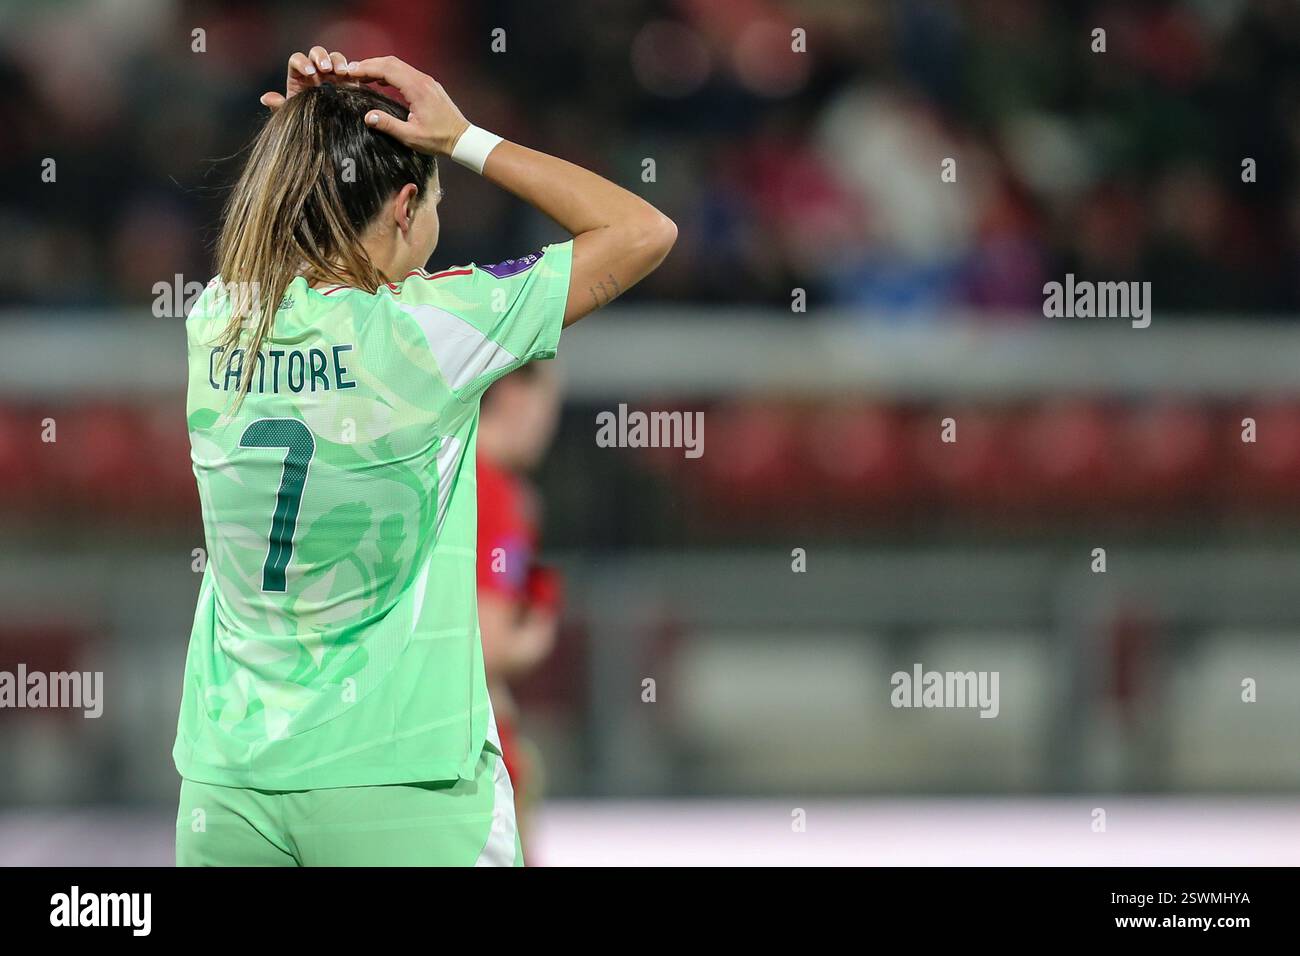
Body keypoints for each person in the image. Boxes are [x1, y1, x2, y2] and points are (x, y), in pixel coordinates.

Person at [173, 47, 676, 866]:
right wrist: (464, 137)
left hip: (228, 787)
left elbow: (277, 244)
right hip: (403, 784)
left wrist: (308, 142)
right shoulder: (428, 332)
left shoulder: (217, 319)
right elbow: (642, 232)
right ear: (406, 206)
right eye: (434, 201)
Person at [476, 363, 564, 860]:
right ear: (514, 392)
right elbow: (491, 645)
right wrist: (542, 623)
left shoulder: (438, 470)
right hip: (480, 757)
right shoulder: (500, 497)